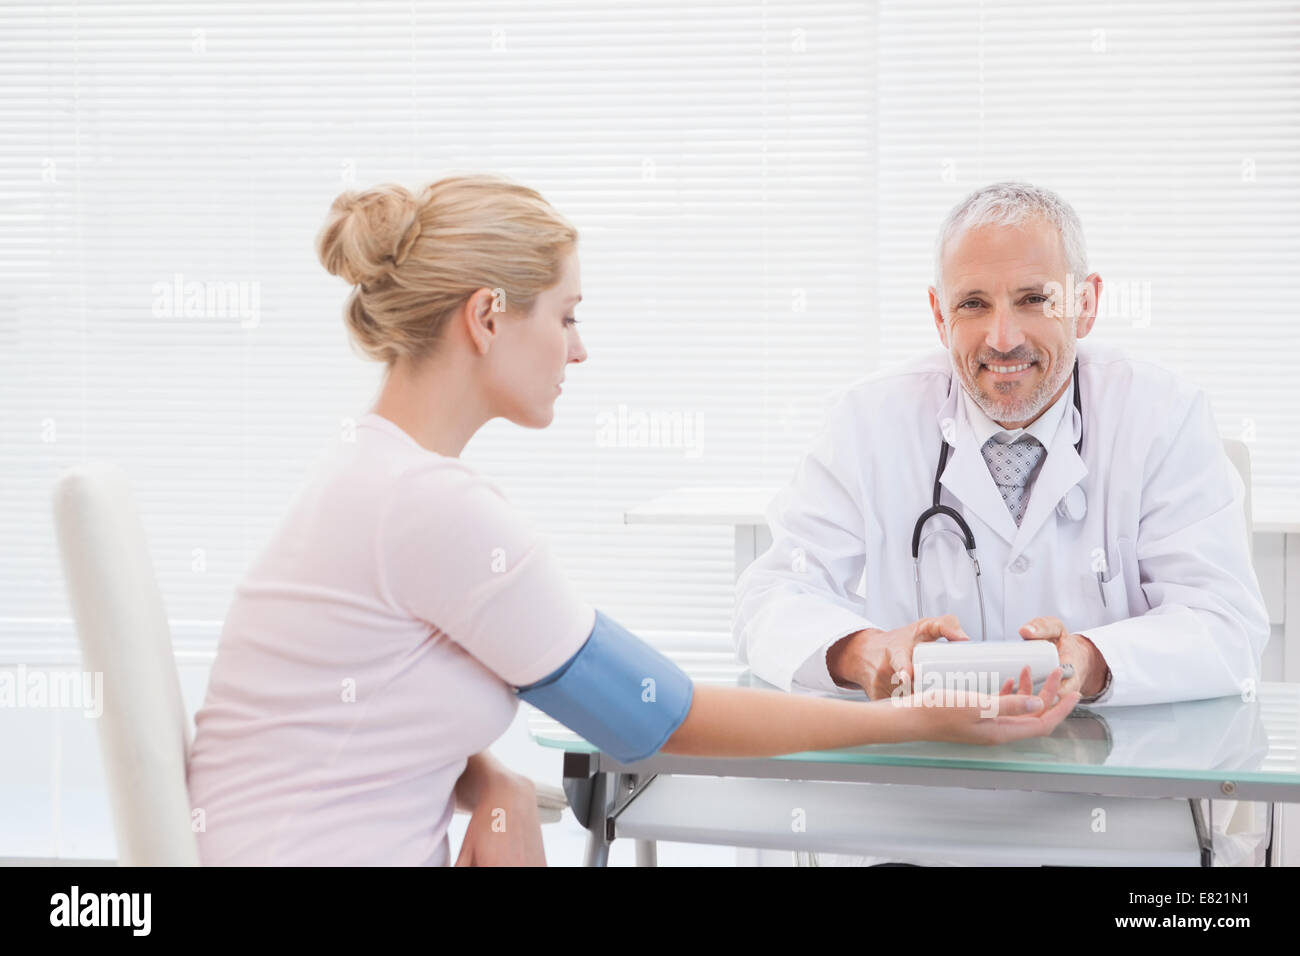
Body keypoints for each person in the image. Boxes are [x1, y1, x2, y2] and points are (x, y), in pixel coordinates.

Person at [184, 175, 1076, 867]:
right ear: (488, 317)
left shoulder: (372, 478)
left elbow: (356, 737)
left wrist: (491, 783)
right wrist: (923, 718)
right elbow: (658, 719)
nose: (579, 347)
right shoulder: (430, 509)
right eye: (567, 316)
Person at [733, 180, 1271, 865]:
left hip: (1111, 827)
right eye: (973, 305)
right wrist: (866, 652)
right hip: (918, 825)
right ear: (937, 313)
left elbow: (1225, 623)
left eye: (1033, 299)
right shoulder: (867, 421)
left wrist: (1090, 661)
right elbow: (771, 596)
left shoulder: (1164, 416)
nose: (1002, 338)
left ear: (1086, 301)